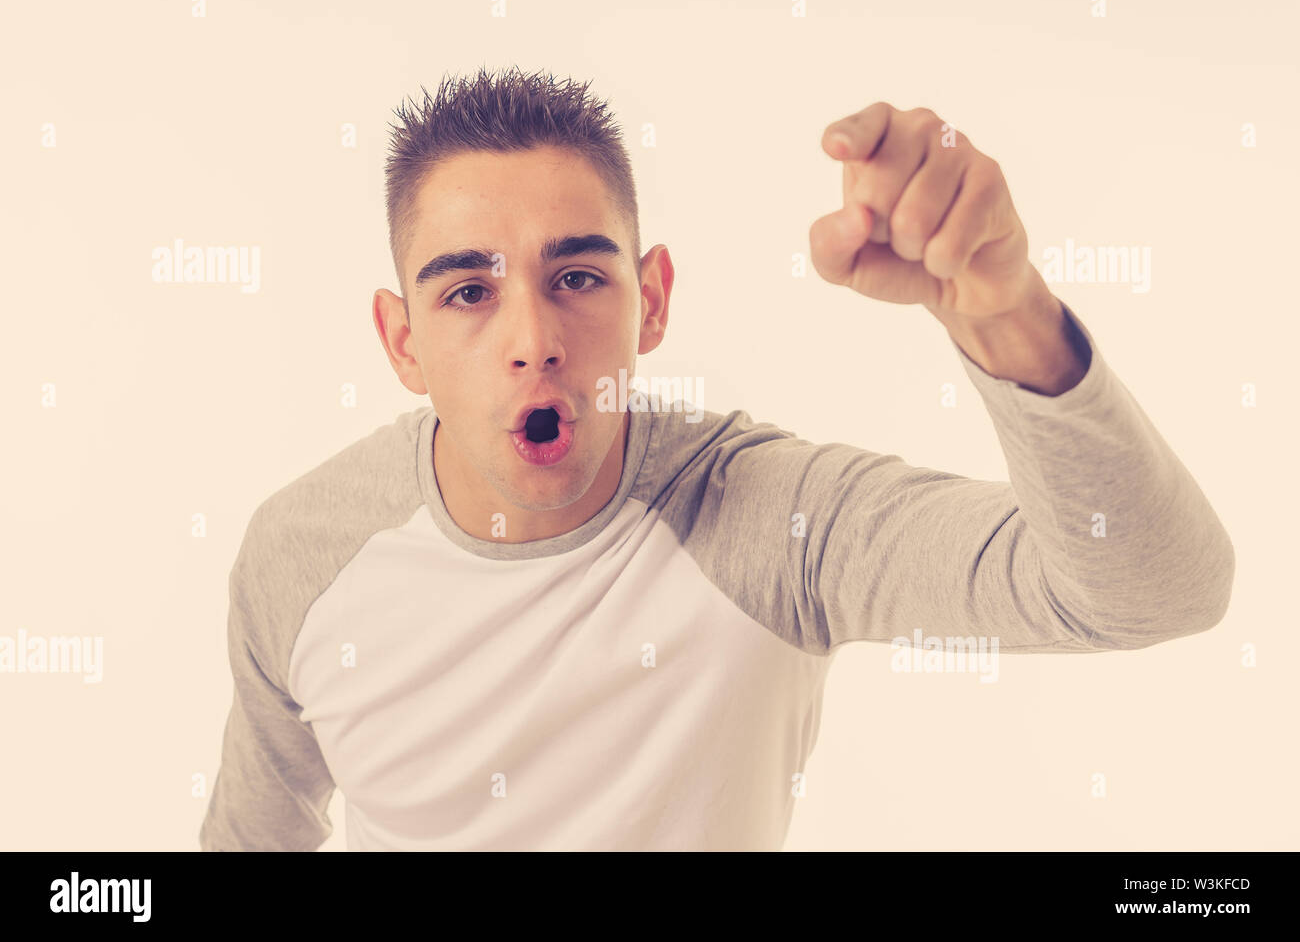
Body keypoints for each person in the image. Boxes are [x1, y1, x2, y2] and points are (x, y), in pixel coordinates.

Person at [199, 65, 1234, 851]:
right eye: (469, 292)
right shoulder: (304, 550)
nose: (533, 340)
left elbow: (1152, 593)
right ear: (402, 342)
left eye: (578, 277)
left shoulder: (769, 519)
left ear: (651, 301)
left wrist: (1008, 315)